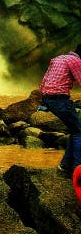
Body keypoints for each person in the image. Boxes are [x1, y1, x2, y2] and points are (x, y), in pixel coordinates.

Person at [39, 43, 81, 177]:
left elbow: (44, 80)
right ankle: (77, 168)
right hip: (60, 100)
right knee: (79, 133)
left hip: (48, 99)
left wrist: (43, 102)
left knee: (75, 131)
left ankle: (65, 166)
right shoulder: (76, 61)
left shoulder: (58, 58)